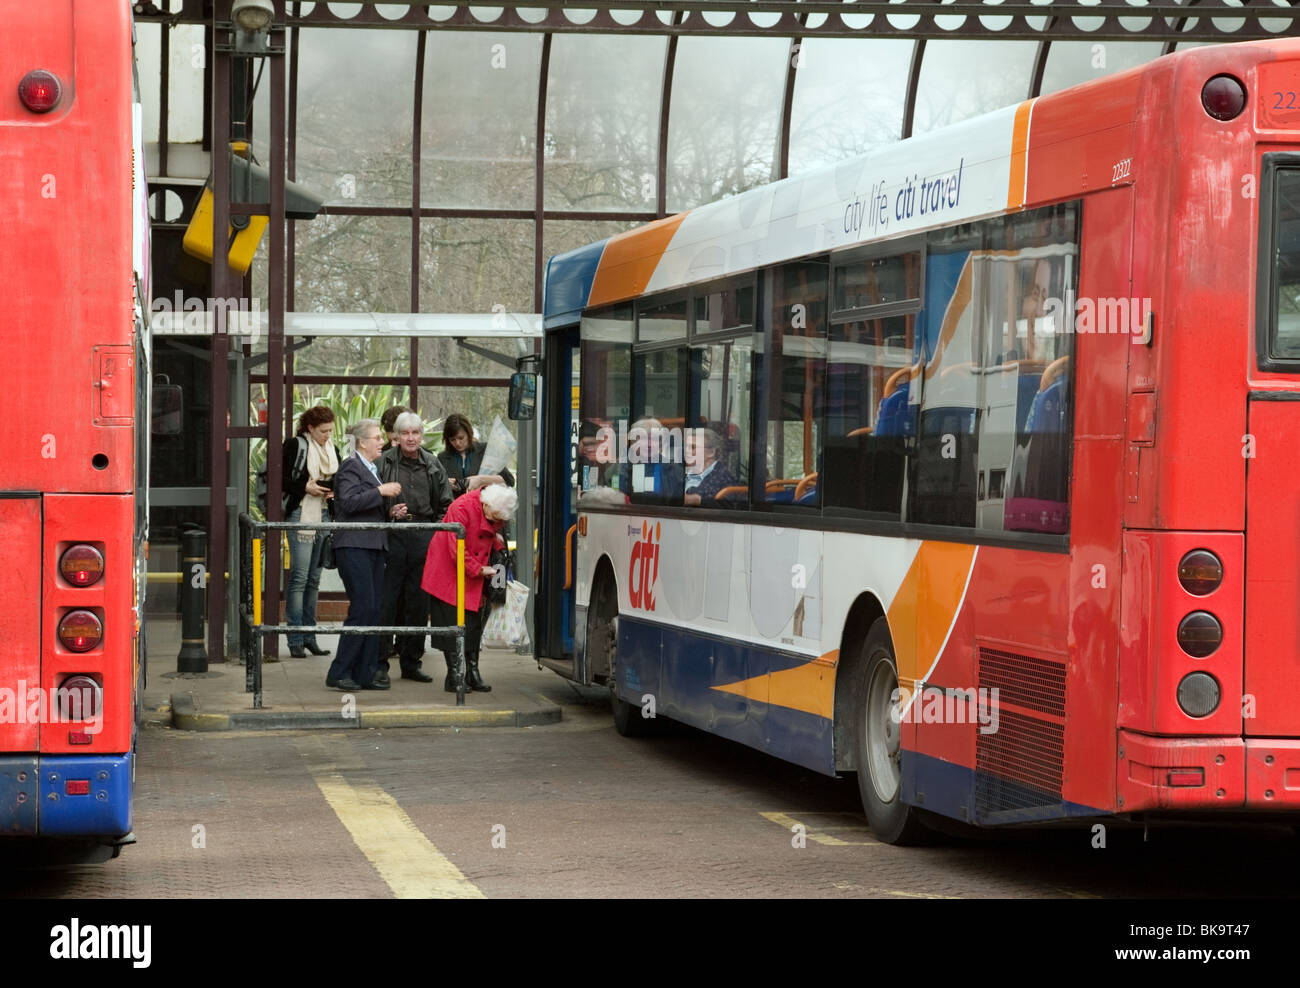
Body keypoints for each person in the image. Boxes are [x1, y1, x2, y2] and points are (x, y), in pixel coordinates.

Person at [376, 411, 454, 686]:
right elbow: (372, 502)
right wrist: (388, 513)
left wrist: (436, 532)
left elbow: (447, 505)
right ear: (395, 436)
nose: (410, 438)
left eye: (415, 433)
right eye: (405, 433)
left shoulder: (433, 464)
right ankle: (379, 664)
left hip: (424, 537)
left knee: (418, 605)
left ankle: (411, 663)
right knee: (387, 603)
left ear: (421, 435)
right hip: (392, 537)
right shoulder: (382, 462)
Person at [325, 420, 402, 692]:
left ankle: (365, 672)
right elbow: (346, 502)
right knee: (363, 607)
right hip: (354, 545)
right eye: (377, 437)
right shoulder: (351, 466)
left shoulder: (371, 469)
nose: (382, 441)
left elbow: (363, 503)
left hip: (372, 545)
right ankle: (340, 670)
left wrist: (389, 513)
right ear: (362, 443)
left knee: (373, 608)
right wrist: (380, 492)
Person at [421, 484, 519, 693]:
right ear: (485, 504)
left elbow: (491, 535)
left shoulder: (495, 509)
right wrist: (479, 569)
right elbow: (455, 548)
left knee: (473, 625)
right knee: (452, 624)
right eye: (493, 518)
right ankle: (455, 675)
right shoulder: (462, 507)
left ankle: (472, 673)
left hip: (475, 570)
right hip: (449, 570)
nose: (496, 522)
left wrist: (498, 549)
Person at [284, 406, 340, 659]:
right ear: (310, 428)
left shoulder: (332, 450)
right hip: (301, 513)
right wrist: (306, 489)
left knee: (314, 579)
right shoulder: (296, 446)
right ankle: (295, 638)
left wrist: (331, 491)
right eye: (323, 431)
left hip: (324, 512)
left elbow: (337, 479)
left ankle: (309, 636)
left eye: (330, 430)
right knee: (299, 578)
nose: (327, 435)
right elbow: (282, 479)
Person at [438, 413, 514, 497]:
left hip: (484, 506)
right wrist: (446, 484)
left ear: (469, 433)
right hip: (456, 508)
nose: (457, 443)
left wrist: (481, 480)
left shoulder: (485, 450)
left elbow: (509, 480)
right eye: (453, 440)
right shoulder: (442, 458)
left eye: (461, 438)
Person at [683, 428, 737, 507]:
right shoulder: (677, 472)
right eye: (685, 447)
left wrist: (697, 500)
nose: (687, 451)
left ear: (711, 452)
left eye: (692, 447)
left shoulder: (725, 478)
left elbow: (729, 507)